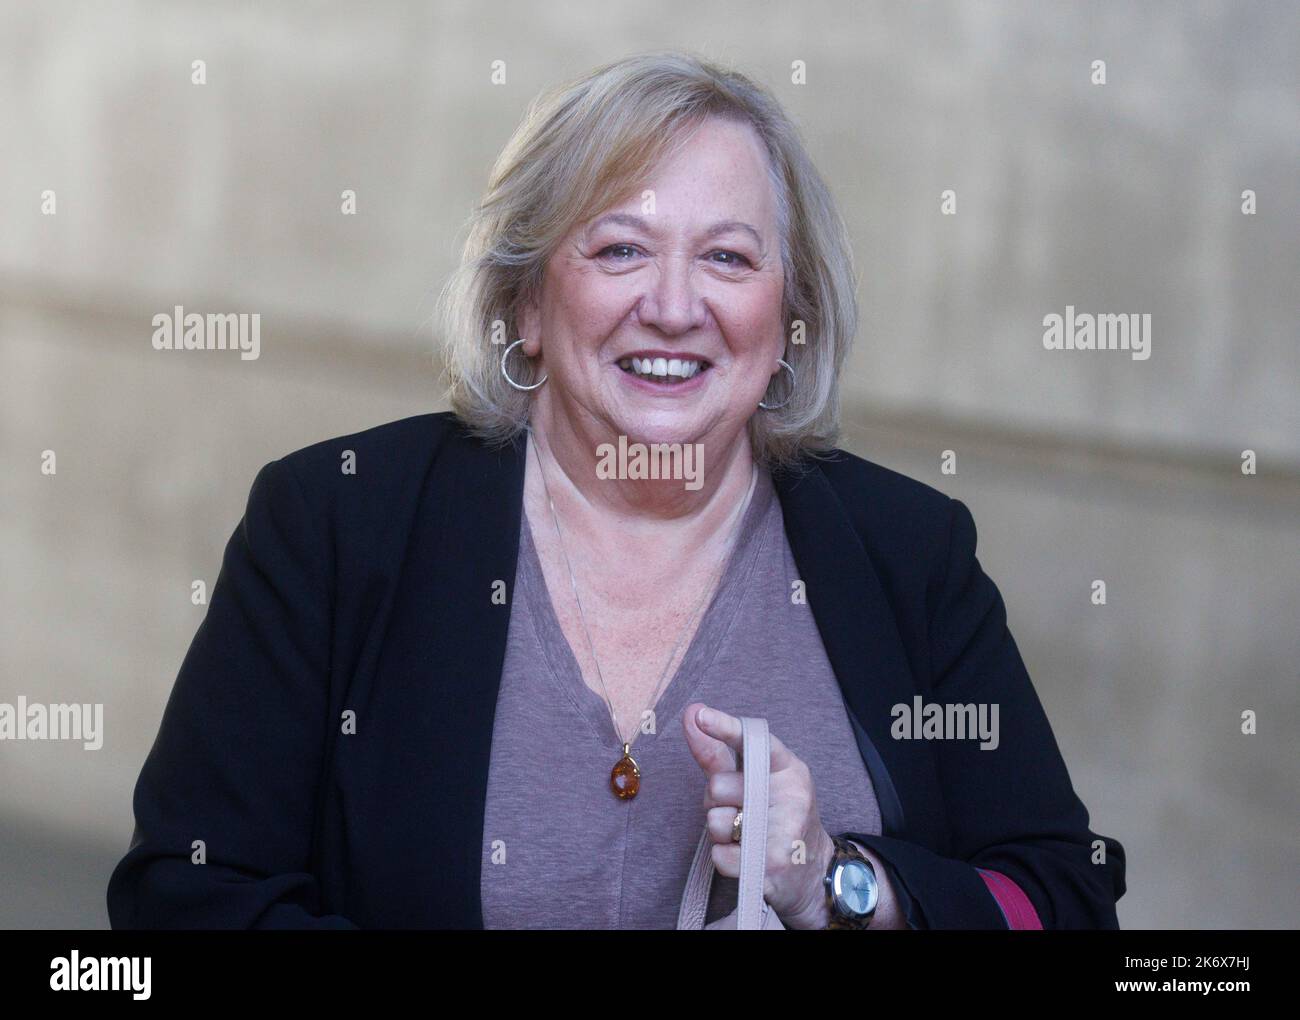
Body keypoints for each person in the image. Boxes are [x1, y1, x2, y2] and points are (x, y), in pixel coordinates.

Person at [107, 51, 1125, 929]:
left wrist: (836, 884)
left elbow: (1064, 896)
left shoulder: (908, 551)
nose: (675, 307)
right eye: (620, 249)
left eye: (727, 257)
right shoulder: (335, 521)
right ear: (527, 304)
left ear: (786, 322)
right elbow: (187, 898)